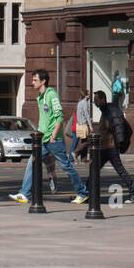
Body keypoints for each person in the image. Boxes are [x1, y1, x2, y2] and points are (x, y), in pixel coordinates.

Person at [9, 70, 88, 205]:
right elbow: (45, 119)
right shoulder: (41, 97)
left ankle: (82, 192)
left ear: (43, 81)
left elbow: (59, 117)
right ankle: (25, 193)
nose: (32, 83)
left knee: (66, 166)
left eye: (35, 80)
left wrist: (53, 135)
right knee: (32, 163)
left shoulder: (52, 96)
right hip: (43, 140)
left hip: (54, 140)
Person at [88, 90, 134, 202]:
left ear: (103, 99)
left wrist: (120, 142)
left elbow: (118, 125)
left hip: (110, 148)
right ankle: (86, 194)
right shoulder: (106, 110)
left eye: (96, 100)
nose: (95, 102)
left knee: (119, 170)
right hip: (104, 147)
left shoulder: (111, 110)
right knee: (94, 169)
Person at [70, 90, 92, 164]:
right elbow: (86, 115)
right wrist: (90, 125)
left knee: (83, 141)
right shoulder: (83, 103)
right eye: (88, 94)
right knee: (85, 142)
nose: (89, 95)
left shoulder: (79, 104)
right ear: (85, 95)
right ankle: (74, 155)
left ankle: (83, 159)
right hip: (81, 126)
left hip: (78, 125)